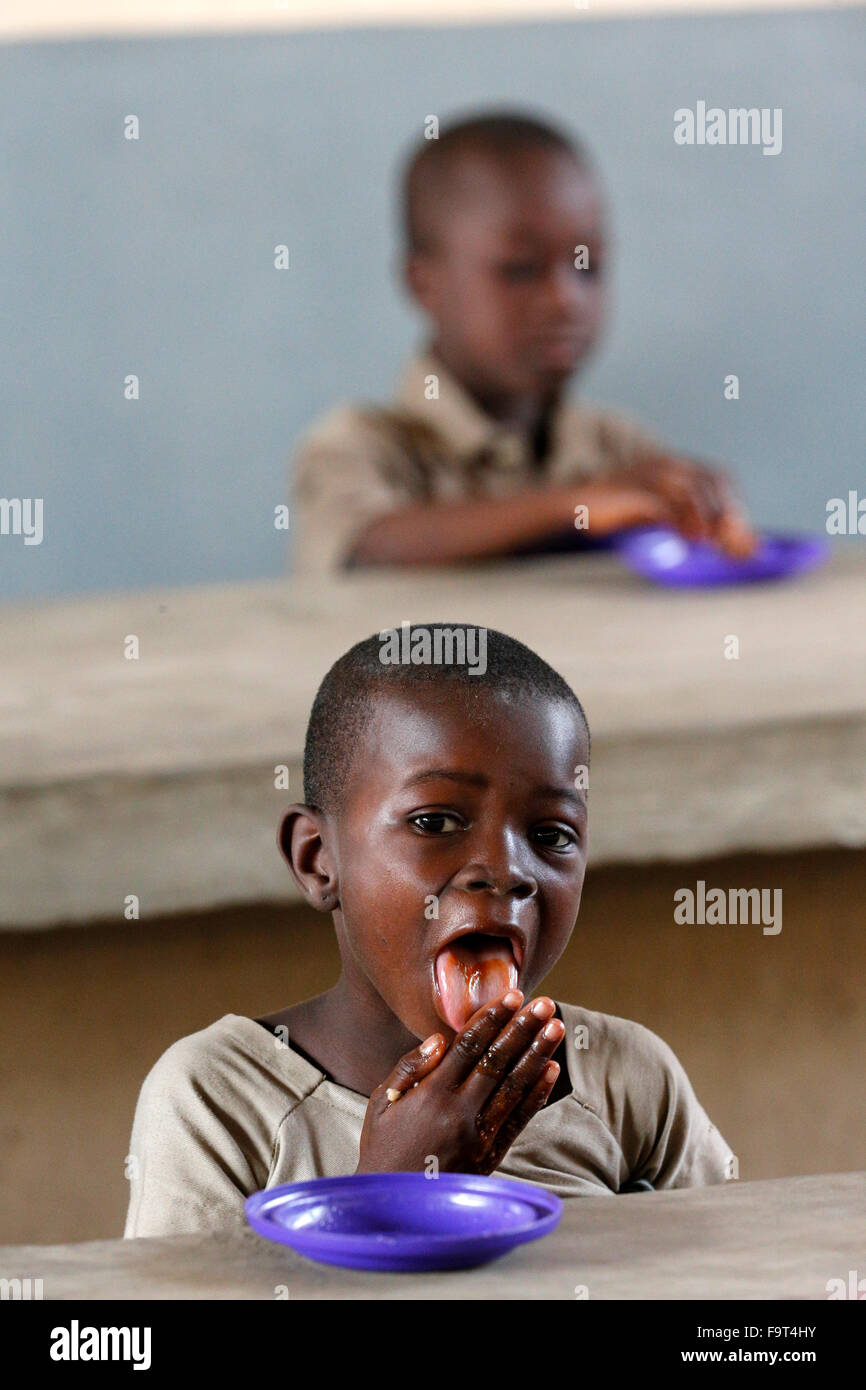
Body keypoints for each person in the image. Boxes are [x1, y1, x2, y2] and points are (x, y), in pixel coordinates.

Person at [124, 625, 733, 1237]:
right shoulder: (219, 1099)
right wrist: (390, 1198)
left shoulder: (624, 1078)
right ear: (317, 859)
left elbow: (739, 1294)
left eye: (550, 835)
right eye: (435, 821)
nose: (504, 871)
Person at [291, 111, 756, 573]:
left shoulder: (616, 445)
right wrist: (575, 507)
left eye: (588, 266)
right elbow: (373, 544)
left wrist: (704, 516)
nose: (564, 301)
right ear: (423, 283)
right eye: (520, 269)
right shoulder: (360, 444)